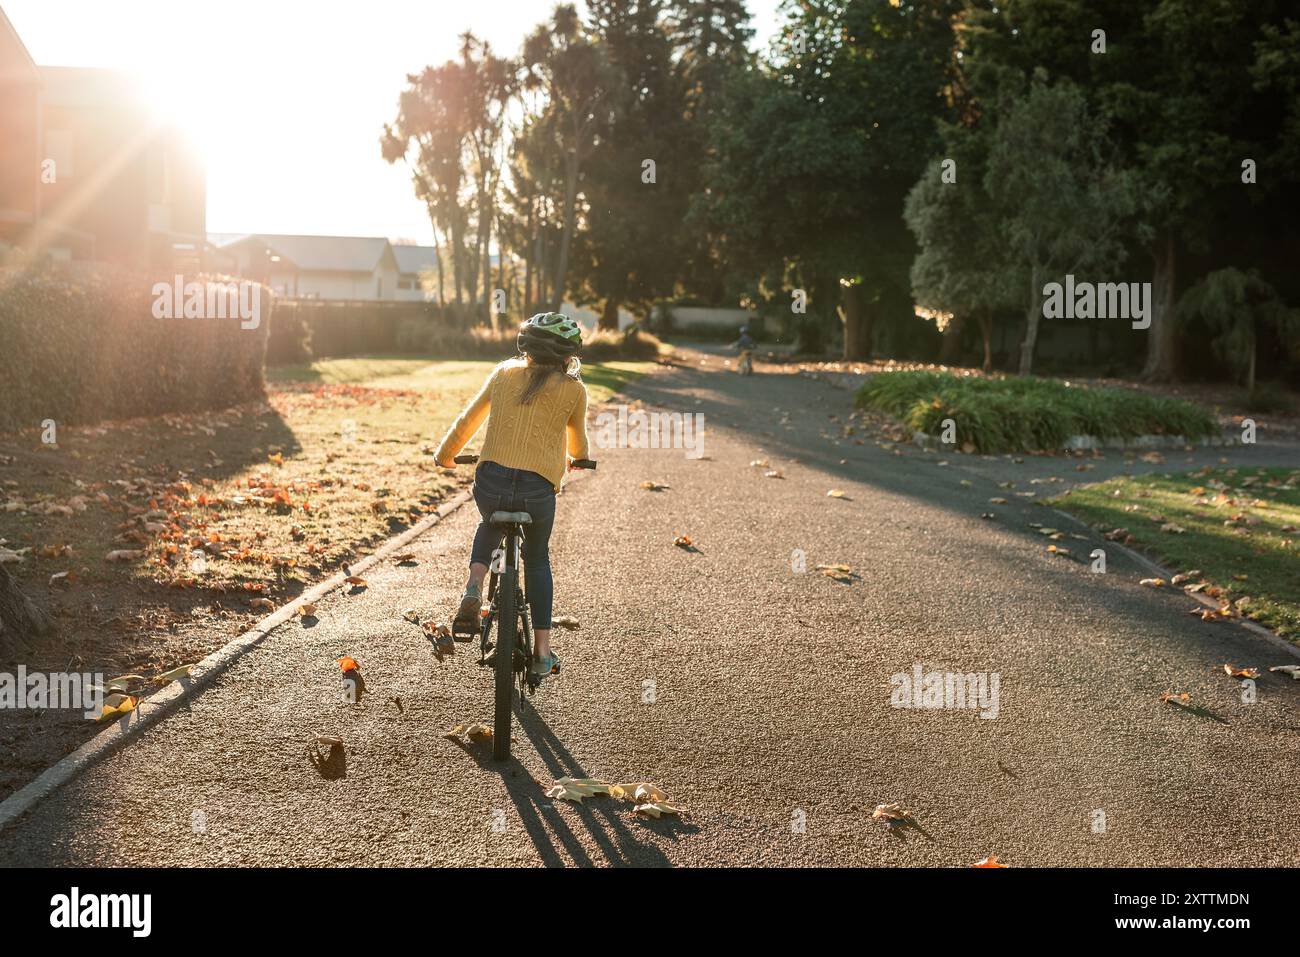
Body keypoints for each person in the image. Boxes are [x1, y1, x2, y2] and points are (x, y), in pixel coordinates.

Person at [434, 312, 589, 681]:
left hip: (491, 483)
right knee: (536, 559)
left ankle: (473, 585)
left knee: (490, 520)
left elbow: (467, 420)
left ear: (526, 348)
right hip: (538, 493)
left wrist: (445, 455)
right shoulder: (574, 390)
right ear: (568, 355)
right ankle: (542, 652)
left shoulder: (504, 373)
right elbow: (579, 444)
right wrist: (578, 460)